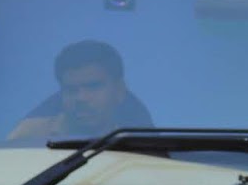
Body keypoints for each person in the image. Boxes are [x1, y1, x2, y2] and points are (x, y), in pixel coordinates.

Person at [8, 39, 152, 142]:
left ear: (119, 91)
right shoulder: (29, 134)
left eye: (93, 87)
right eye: (71, 90)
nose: (81, 98)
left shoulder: (136, 145)